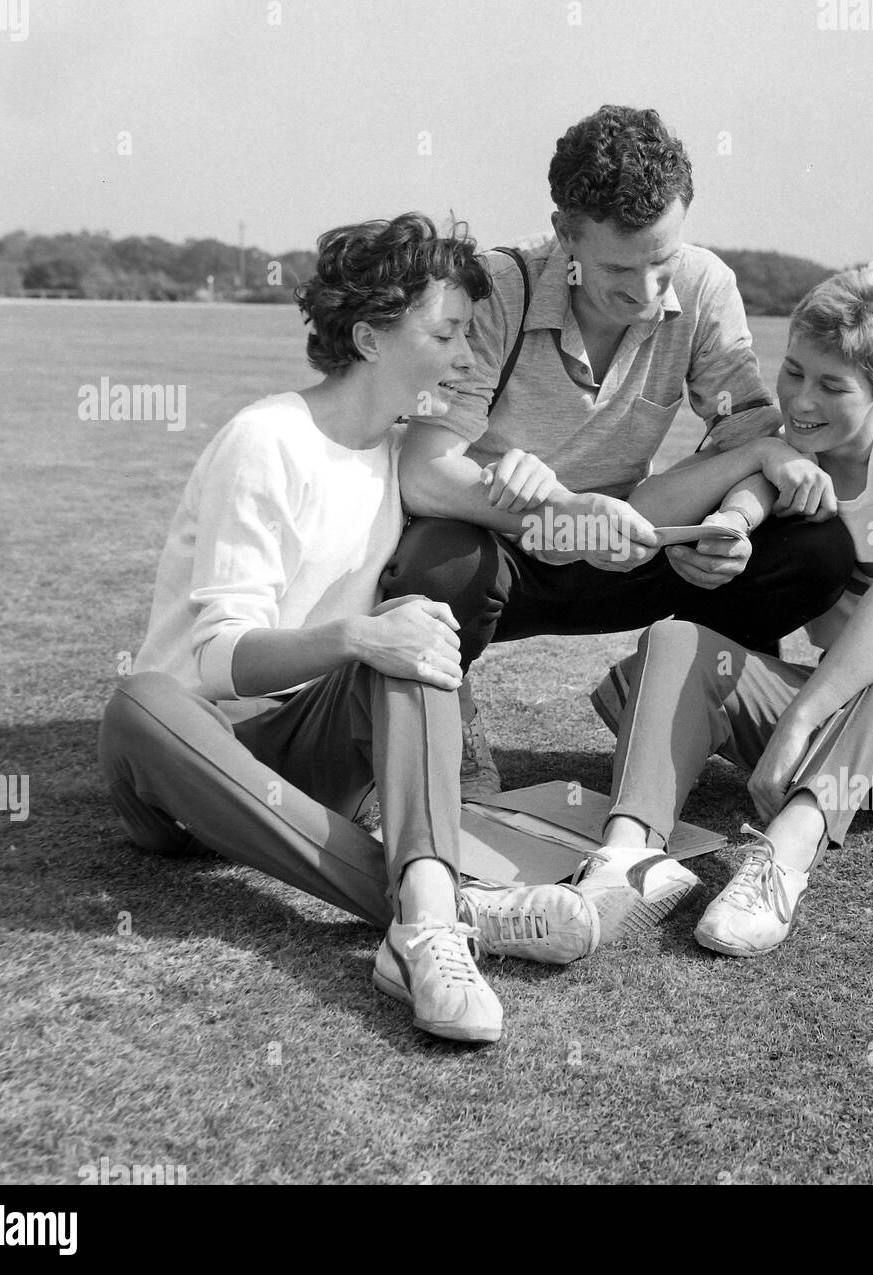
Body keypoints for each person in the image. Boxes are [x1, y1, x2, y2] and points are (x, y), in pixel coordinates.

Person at [97, 215, 619, 1045]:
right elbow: (219, 656)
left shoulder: (402, 456)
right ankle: (448, 906)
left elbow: (537, 527)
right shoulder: (267, 439)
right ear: (371, 337)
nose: (466, 356)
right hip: (190, 760)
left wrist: (546, 489)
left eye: (467, 334)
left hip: (307, 760)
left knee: (419, 633)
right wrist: (356, 636)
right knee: (141, 700)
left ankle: (426, 922)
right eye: (446, 333)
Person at [383, 105, 856, 806]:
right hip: (509, 545)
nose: (646, 291)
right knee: (433, 566)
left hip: (635, 544)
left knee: (814, 546)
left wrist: (731, 524)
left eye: (663, 261)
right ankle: (448, 724)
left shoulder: (705, 284)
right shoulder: (494, 289)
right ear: (564, 232)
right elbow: (424, 472)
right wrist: (565, 515)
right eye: (617, 269)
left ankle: (687, 702)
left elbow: (751, 440)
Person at [577, 268, 873, 952]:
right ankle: (626, 858)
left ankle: (786, 853)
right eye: (792, 371)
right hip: (861, 747)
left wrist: (801, 718)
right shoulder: (790, 449)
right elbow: (645, 513)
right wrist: (748, 480)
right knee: (675, 642)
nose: (800, 399)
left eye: (832, 385)